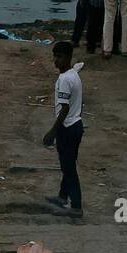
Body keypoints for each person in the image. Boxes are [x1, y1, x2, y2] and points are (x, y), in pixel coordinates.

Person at [42, 41, 83, 218]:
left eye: (59, 57)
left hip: (67, 128)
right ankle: (62, 196)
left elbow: (64, 109)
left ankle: (76, 206)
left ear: (68, 58)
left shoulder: (65, 79)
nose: (55, 61)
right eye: (55, 56)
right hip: (76, 125)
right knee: (68, 165)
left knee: (68, 168)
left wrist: (52, 132)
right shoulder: (73, 74)